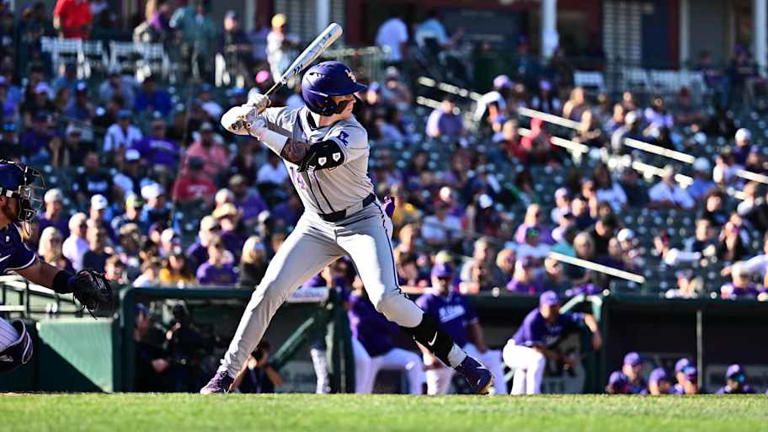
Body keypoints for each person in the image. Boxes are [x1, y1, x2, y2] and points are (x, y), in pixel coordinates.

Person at [202, 61, 493, 394]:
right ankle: (225, 375)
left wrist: (258, 128)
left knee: (386, 298)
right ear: (324, 102)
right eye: (344, 96)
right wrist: (247, 111)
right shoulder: (287, 119)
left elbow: (309, 157)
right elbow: (228, 122)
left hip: (362, 221)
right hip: (315, 223)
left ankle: (463, 362)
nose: (354, 100)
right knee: (268, 291)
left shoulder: (354, 132)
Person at [0, 161, 111, 374]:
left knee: (18, 347)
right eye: (19, 193)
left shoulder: (9, 235)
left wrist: (72, 282)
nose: (25, 199)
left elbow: (39, 270)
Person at [416, 263, 507, 395]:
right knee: (436, 394)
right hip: (440, 353)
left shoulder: (458, 298)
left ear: (451, 279)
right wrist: (428, 354)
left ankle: (501, 395)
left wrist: (480, 344)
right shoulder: (426, 301)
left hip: (462, 348)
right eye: (439, 278)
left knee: (492, 357)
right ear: (433, 278)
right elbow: (417, 331)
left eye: (446, 278)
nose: (443, 281)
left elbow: (473, 323)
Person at [502, 291, 602, 395]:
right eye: (551, 306)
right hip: (515, 351)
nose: (554, 309)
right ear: (542, 307)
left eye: (556, 305)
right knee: (537, 358)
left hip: (528, 355)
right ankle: (533, 394)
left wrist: (596, 334)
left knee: (521, 382)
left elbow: (587, 317)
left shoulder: (561, 318)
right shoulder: (533, 319)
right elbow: (537, 349)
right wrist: (563, 359)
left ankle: (517, 398)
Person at [349, 278, 426, 394]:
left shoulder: (380, 300)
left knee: (413, 360)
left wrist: (380, 323)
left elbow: (394, 327)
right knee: (363, 392)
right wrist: (382, 322)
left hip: (385, 352)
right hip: (368, 356)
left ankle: (417, 396)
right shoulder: (354, 301)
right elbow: (361, 326)